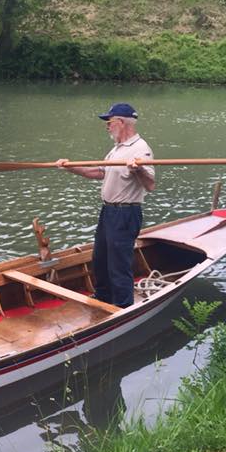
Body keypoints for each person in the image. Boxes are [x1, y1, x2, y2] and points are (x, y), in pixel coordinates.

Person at [56, 103, 155, 308]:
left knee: (119, 264)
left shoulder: (141, 150)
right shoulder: (117, 149)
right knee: (100, 258)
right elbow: (99, 172)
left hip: (126, 213)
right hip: (108, 211)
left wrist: (139, 170)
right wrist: (70, 167)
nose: (107, 127)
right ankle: (102, 298)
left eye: (109, 122)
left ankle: (122, 307)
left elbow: (150, 185)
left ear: (120, 122)